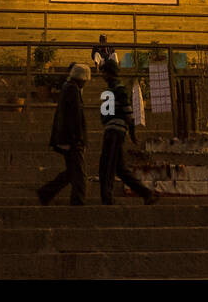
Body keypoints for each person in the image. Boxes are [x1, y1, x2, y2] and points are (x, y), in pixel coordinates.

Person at [97, 61, 158, 206]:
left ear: (109, 72)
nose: (102, 75)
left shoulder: (118, 89)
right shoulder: (110, 90)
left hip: (114, 132)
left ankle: (107, 198)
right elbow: (106, 115)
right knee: (120, 169)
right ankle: (146, 193)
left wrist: (132, 133)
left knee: (108, 166)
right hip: (112, 130)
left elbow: (128, 113)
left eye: (104, 71)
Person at [38, 63, 90, 206]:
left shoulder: (68, 88)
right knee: (79, 173)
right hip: (72, 139)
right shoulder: (73, 90)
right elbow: (75, 118)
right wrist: (79, 139)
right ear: (81, 78)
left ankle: (45, 192)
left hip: (67, 137)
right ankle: (78, 201)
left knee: (71, 172)